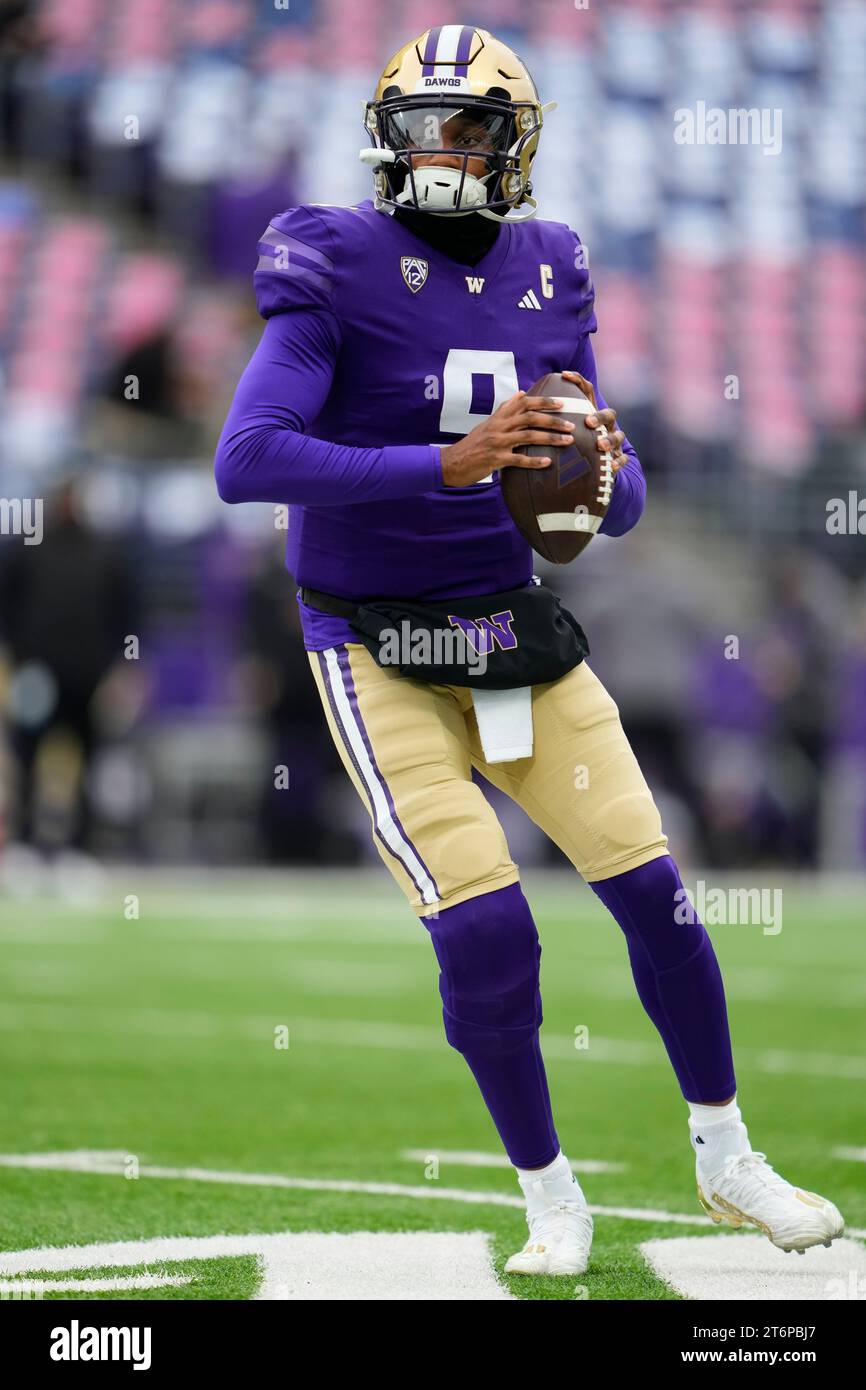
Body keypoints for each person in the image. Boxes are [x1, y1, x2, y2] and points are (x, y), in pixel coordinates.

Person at [214, 25, 843, 1274]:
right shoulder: (333, 257)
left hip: (508, 626)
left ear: (516, 142)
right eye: (419, 128)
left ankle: (726, 1157)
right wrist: (434, 465)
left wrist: (599, 469)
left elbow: (617, 495)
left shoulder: (548, 265)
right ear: (383, 140)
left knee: (656, 895)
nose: (442, 151)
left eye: (469, 127)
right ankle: (548, 1192)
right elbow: (248, 456)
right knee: (488, 933)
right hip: (375, 642)